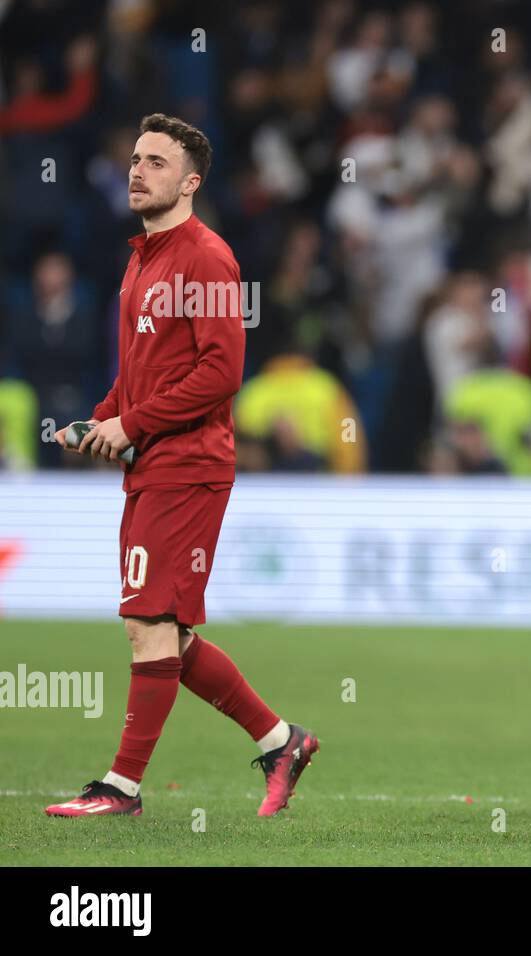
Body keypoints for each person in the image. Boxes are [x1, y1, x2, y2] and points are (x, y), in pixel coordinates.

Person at [46, 114, 319, 819]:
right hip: (153, 462)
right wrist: (102, 415)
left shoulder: (206, 257)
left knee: (147, 623)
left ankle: (122, 788)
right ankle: (281, 740)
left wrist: (130, 424)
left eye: (157, 163)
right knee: (171, 632)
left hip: (189, 464)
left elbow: (222, 372)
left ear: (191, 181)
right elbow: (142, 369)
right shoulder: (143, 256)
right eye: (136, 159)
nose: (138, 171)